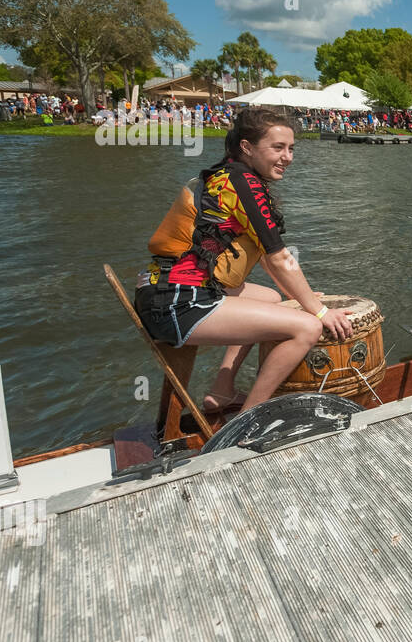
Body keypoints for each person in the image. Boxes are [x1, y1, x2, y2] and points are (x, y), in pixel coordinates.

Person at [136, 107, 354, 414]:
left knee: (269, 296)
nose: (287, 157)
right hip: (177, 302)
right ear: (247, 147)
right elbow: (278, 258)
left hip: (162, 291)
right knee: (307, 329)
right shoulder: (244, 184)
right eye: (277, 148)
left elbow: (266, 257)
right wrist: (318, 312)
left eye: (291, 149)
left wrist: (300, 298)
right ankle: (249, 419)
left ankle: (221, 392)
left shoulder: (229, 175)